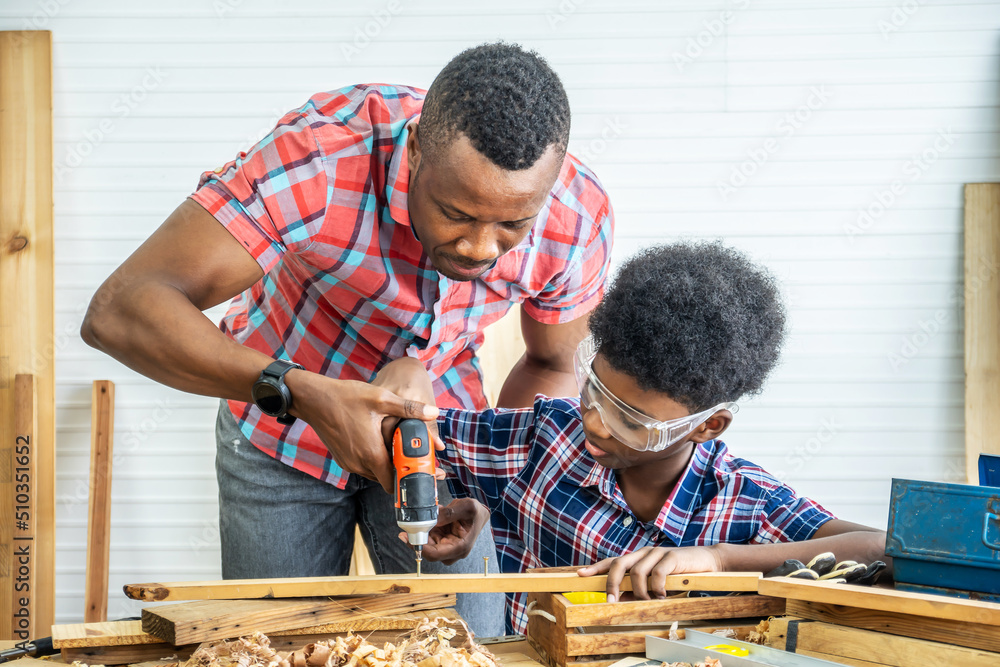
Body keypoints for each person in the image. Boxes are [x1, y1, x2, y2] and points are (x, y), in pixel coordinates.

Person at [80, 42, 614, 636]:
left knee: (469, 642)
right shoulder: (323, 157)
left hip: (429, 442)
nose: (481, 248)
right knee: (275, 646)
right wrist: (304, 394)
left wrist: (496, 484)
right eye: (455, 213)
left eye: (513, 224)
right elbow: (120, 310)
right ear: (414, 152)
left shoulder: (576, 217)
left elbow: (549, 363)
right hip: (279, 425)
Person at [374, 241, 889, 635]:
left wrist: (718, 559)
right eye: (593, 390)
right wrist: (409, 375)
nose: (596, 424)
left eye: (631, 421)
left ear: (707, 426)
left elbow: (885, 549)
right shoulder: (546, 437)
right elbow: (413, 428)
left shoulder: (742, 503)